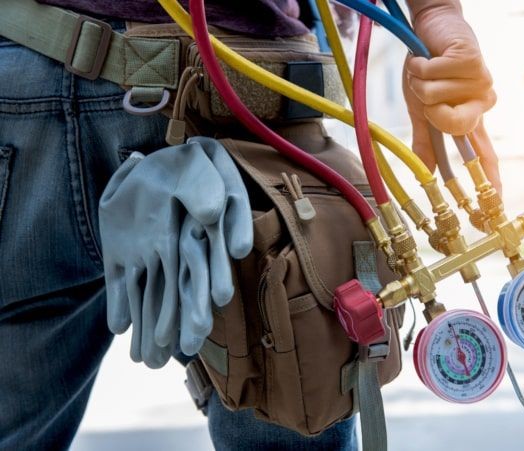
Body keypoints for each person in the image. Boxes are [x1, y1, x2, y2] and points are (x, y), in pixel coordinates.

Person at [0, 0, 498, 449]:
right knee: (294, 407)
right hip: (241, 98)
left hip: (29, 76)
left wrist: (438, 17)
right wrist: (436, 14)